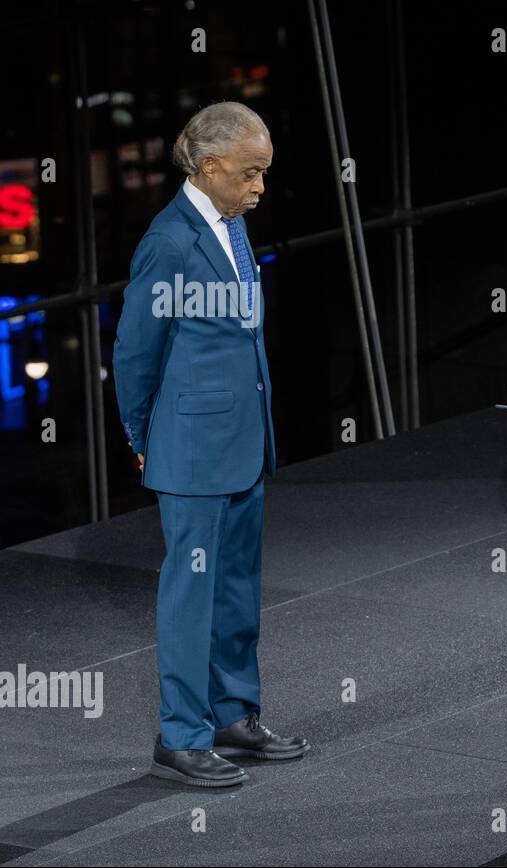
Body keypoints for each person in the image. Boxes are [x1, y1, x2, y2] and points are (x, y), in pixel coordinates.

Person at [112, 102, 308, 788]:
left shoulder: (232, 226)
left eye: (265, 174)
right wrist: (141, 436)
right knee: (190, 594)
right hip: (191, 450)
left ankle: (232, 716)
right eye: (252, 174)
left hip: (242, 443)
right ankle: (181, 736)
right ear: (211, 166)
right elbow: (136, 351)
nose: (261, 187)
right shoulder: (168, 242)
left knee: (235, 588)